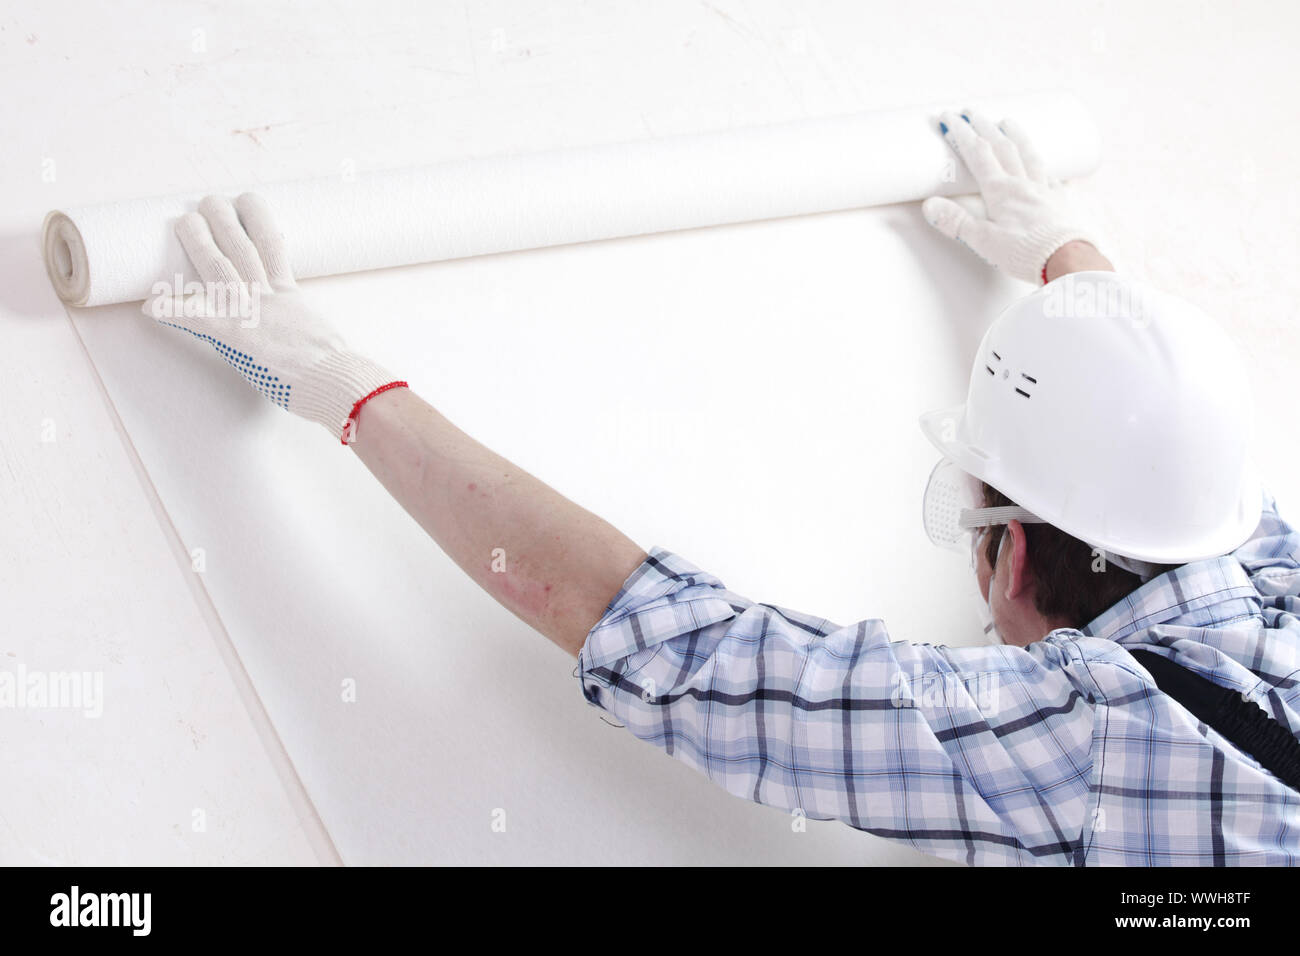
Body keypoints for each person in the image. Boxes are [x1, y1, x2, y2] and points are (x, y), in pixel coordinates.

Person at [147, 109, 1300, 865]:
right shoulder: (1272, 576)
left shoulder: (1082, 738)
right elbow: (1175, 448)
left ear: (1004, 552)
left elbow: (694, 653)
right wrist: (1071, 267)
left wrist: (344, 384)